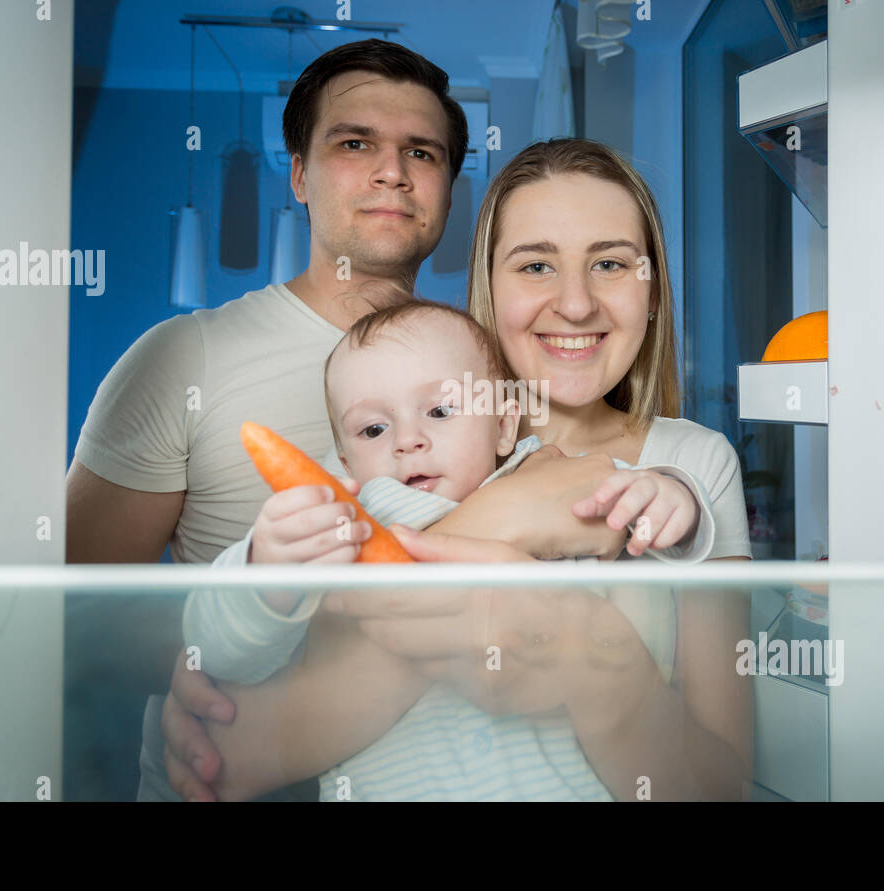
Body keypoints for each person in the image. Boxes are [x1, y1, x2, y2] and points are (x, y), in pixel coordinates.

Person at [66, 38, 655, 802]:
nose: (392, 171)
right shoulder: (184, 358)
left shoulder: (491, 359)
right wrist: (203, 673)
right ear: (300, 174)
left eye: (423, 151)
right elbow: (72, 619)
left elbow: (569, 518)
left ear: (448, 186)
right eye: (354, 144)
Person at [183, 138, 755, 801]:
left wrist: (597, 637)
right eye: (536, 265)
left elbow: (722, 785)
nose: (575, 303)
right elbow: (231, 717)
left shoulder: (696, 461)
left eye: (610, 263)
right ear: (488, 284)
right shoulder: (381, 475)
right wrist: (259, 576)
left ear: (653, 291)